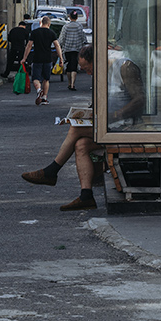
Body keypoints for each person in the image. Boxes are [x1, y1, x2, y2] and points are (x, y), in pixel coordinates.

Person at [20, 46, 98, 211]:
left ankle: (52, 171)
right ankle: (86, 196)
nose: (88, 73)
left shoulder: (116, 71)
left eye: (88, 69)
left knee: (76, 130)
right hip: (109, 124)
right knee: (81, 144)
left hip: (121, 127)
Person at [21, 15, 56, 106]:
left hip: (37, 58)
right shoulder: (51, 33)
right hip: (48, 58)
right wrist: (61, 58)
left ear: (40, 23)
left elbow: (29, 46)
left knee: (36, 78)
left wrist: (24, 58)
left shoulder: (34, 32)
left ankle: (38, 90)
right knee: (46, 79)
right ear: (49, 24)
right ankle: (44, 98)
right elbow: (57, 46)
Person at [54, 9, 88, 91]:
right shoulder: (79, 26)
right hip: (77, 49)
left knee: (69, 67)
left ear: (69, 17)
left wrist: (59, 46)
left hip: (67, 49)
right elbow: (83, 38)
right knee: (74, 66)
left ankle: (69, 83)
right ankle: (73, 84)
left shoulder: (66, 26)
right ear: (76, 17)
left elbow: (61, 39)